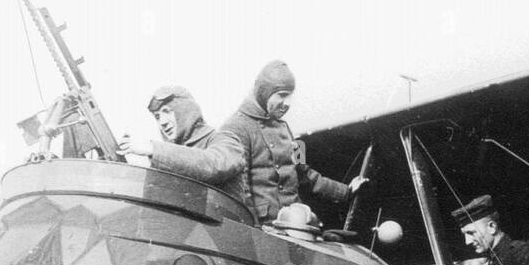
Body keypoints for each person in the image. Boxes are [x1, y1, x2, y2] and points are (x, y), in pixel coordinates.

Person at [125, 60, 366, 225]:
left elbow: (304, 173)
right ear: (264, 91)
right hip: (262, 231)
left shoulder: (286, 129)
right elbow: (224, 172)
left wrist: (345, 190)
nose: (287, 103)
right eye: (282, 95)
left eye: (290, 96)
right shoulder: (235, 128)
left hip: (297, 225)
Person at [118, 84, 216, 168]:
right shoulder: (168, 157)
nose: (162, 122)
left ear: (185, 110)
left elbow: (214, 165)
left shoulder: (219, 138)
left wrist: (154, 149)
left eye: (167, 111)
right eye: (157, 116)